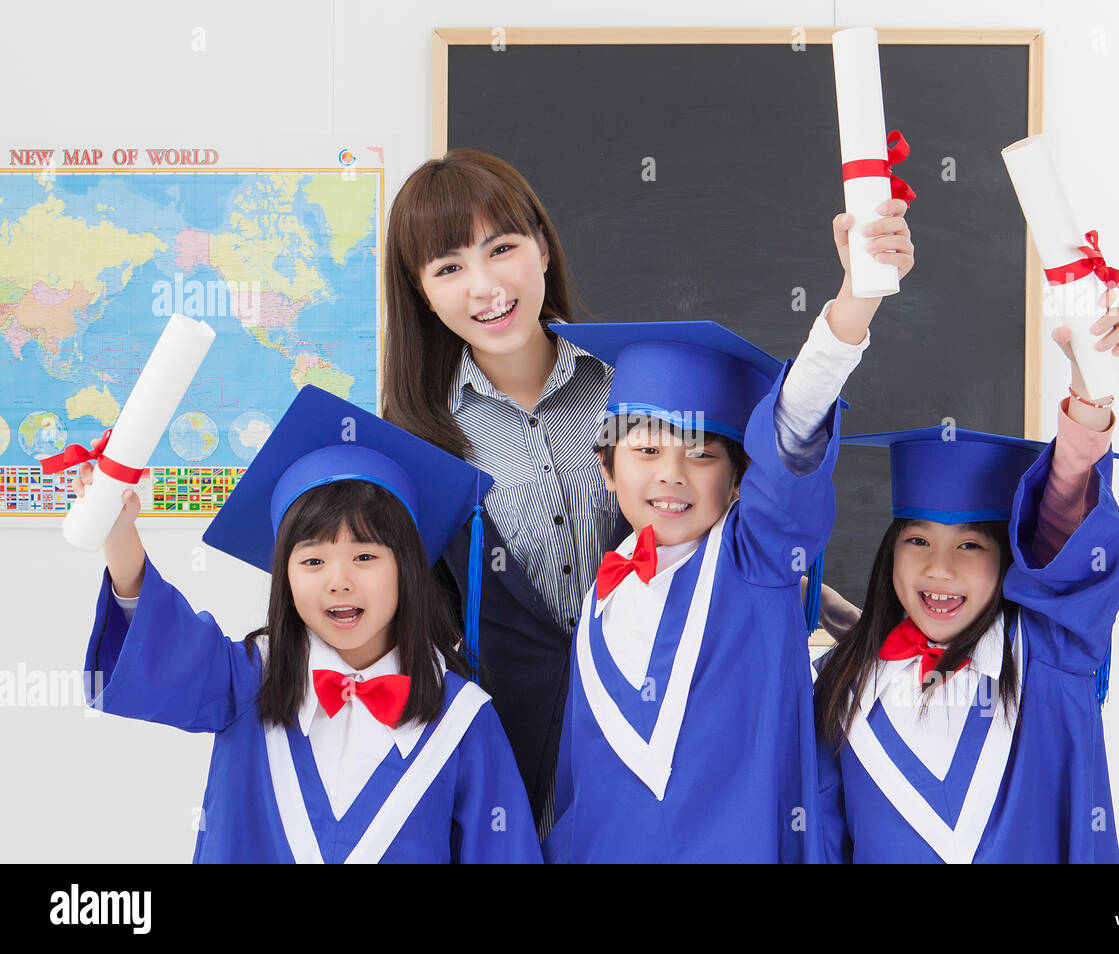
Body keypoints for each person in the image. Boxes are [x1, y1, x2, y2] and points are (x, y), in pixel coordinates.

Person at [541, 202, 915, 862]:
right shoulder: (602, 600)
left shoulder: (756, 560)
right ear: (605, 467)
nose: (672, 477)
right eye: (647, 451)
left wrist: (854, 298)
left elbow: (792, 436)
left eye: (704, 455)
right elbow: (581, 785)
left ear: (742, 479)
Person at [80, 385, 541, 863]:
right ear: (284, 577)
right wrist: (119, 534)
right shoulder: (243, 683)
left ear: (407, 567)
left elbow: (503, 851)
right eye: (313, 561)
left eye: (365, 556)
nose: (338, 582)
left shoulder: (461, 718)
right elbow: (162, 648)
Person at [814, 289, 1119, 862]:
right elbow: (821, 838)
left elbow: (1063, 531)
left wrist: (1089, 402)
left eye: (970, 544)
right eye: (917, 540)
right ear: (890, 552)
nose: (939, 567)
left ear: (1010, 561)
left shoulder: (1046, 658)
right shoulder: (840, 689)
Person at [382, 150, 621, 833]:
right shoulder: (419, 444)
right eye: (449, 267)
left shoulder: (633, 395)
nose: (483, 286)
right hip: (504, 767)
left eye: (502, 248)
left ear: (542, 249)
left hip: (647, 738)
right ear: (422, 292)